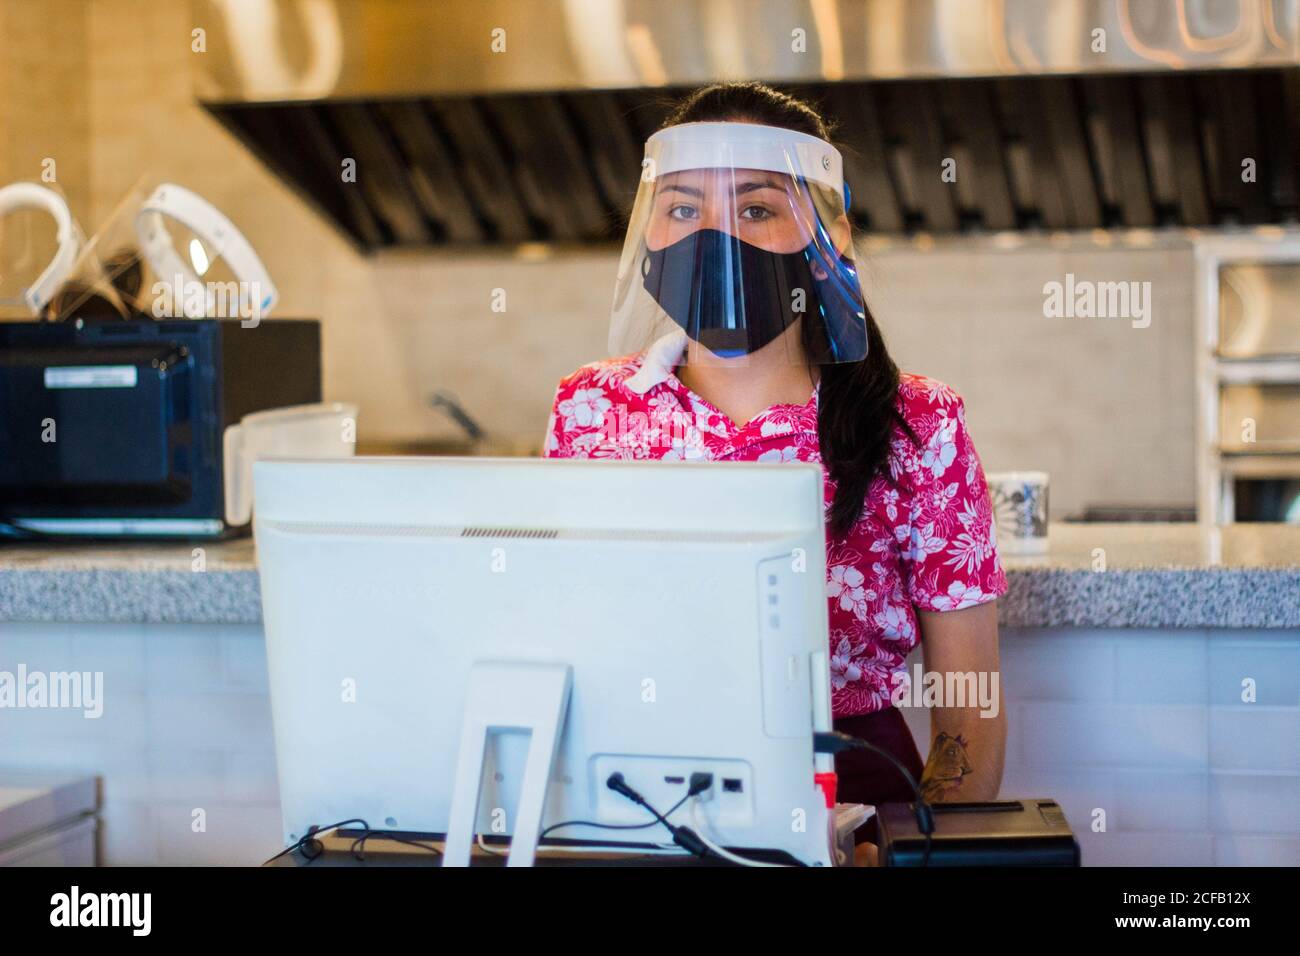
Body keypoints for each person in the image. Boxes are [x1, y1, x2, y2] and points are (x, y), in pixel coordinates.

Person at [543, 82, 1007, 850]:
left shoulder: (920, 425)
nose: (713, 238)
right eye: (684, 208)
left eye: (756, 209)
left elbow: (968, 701)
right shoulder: (589, 410)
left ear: (831, 237)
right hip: (641, 801)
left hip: (859, 802)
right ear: (649, 231)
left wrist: (916, 851)